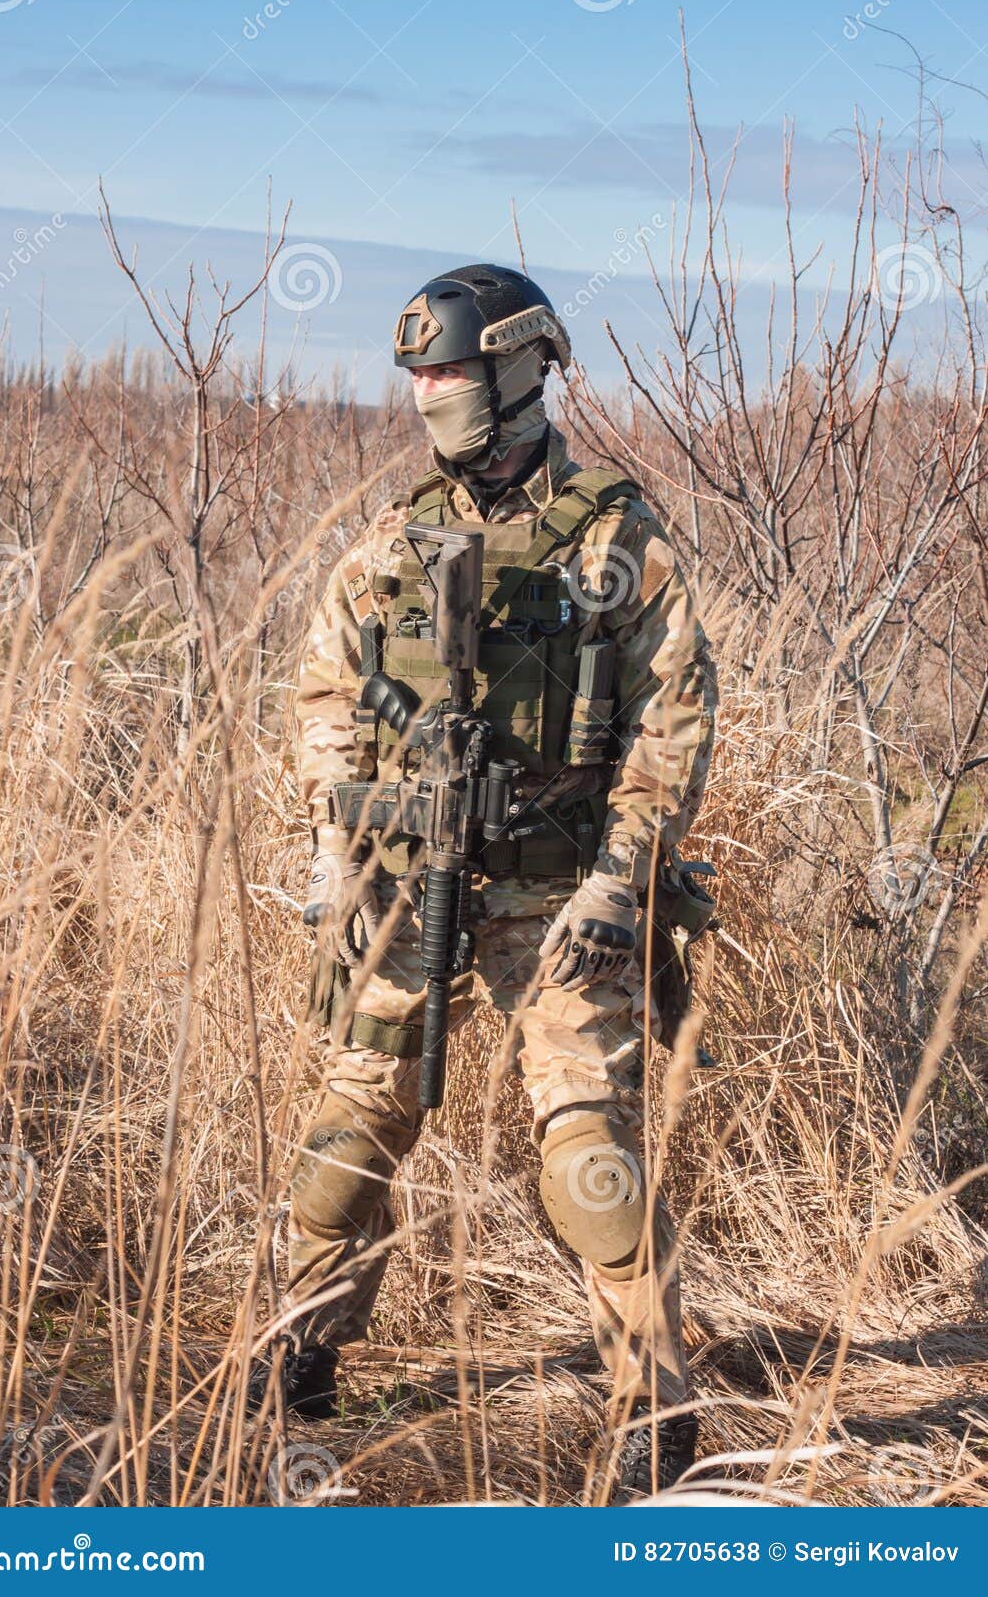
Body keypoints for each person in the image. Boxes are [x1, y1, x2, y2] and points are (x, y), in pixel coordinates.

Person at [274, 264, 717, 1496]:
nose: (430, 393)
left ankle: (652, 1406)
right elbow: (326, 696)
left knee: (586, 1153)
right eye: (417, 374)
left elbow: (673, 722)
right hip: (408, 877)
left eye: (451, 371)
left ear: (518, 368)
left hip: (562, 885)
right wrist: (337, 858)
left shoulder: (615, 541)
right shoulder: (389, 545)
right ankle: (297, 1347)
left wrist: (620, 882)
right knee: (349, 1133)